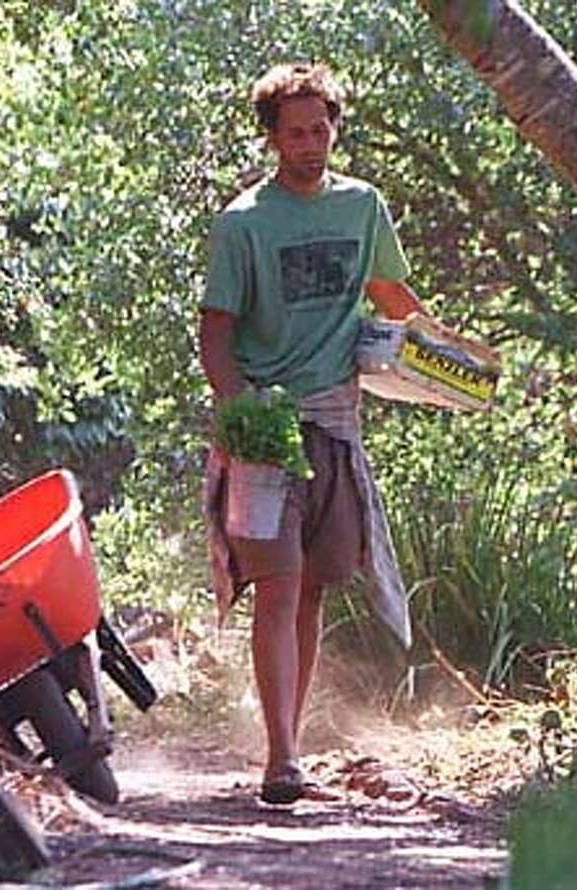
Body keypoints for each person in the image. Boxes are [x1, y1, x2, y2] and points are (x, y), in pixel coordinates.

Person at [198, 62, 427, 805]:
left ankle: (287, 755)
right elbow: (216, 336)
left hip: (335, 427)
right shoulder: (242, 223)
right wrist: (241, 415)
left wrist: (451, 361)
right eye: (293, 132)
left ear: (335, 128)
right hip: (266, 428)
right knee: (276, 588)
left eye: (319, 128)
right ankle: (281, 762)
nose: (309, 143)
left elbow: (393, 298)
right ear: (271, 138)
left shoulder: (363, 206)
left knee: (311, 596)